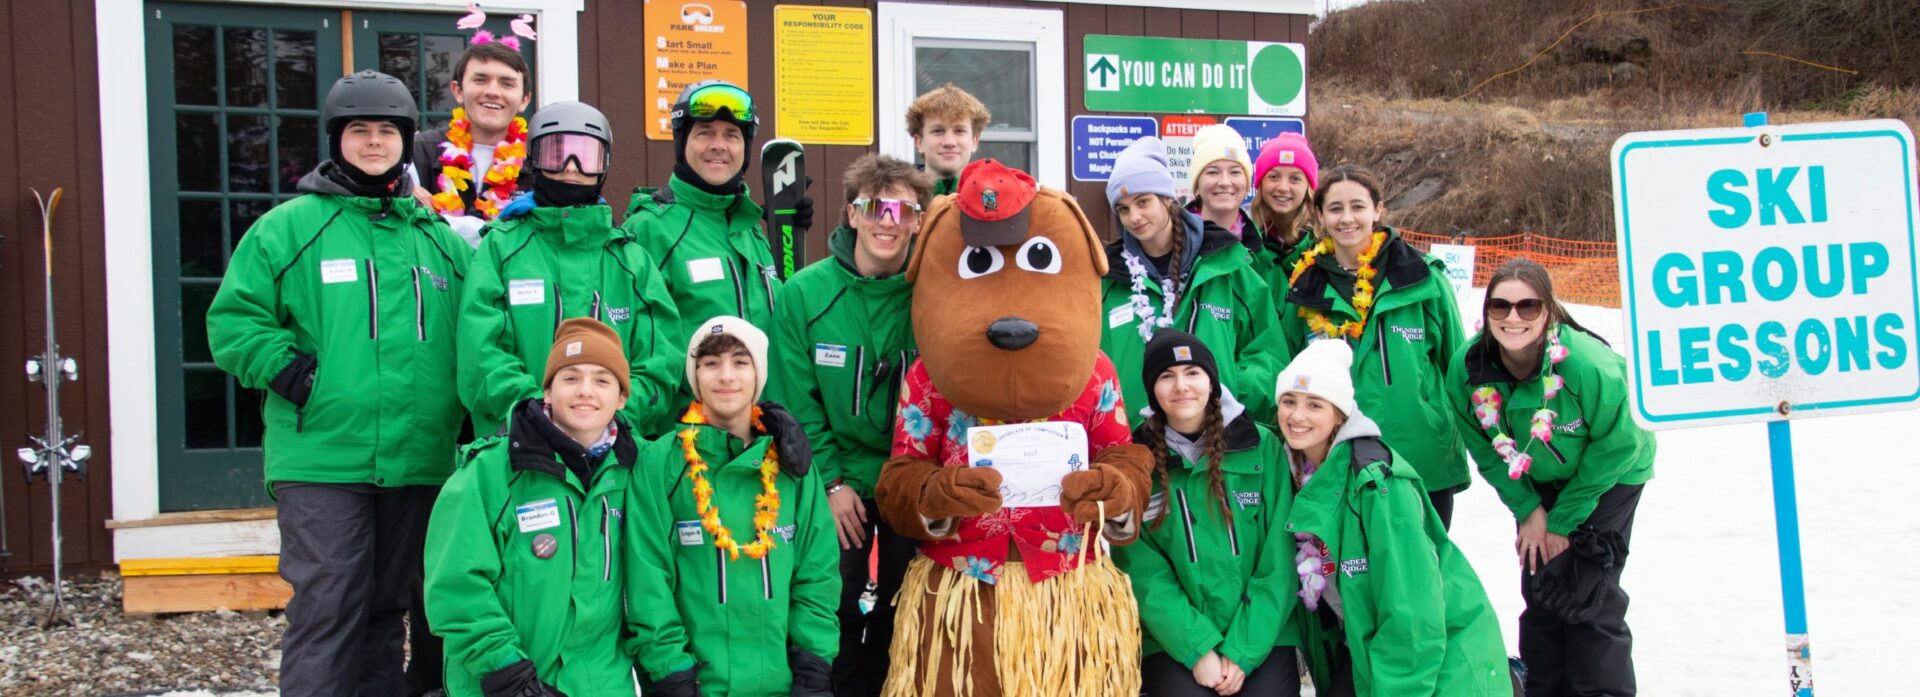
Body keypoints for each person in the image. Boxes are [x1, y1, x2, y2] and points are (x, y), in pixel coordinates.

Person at [207, 70, 471, 696]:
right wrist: (291, 371)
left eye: (387, 131)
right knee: (327, 611)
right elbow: (234, 320)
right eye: (360, 130)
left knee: (388, 612)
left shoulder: (440, 243)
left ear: (407, 141)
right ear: (337, 138)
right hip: (324, 457)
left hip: (418, 459)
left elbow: (476, 333)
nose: (374, 142)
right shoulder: (290, 228)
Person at [1446, 258, 1655, 697]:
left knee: (1586, 588)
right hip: (1535, 473)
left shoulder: (1585, 364)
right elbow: (1485, 450)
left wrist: (1562, 522)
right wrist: (1529, 510)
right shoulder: (1467, 368)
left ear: (1549, 311)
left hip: (1610, 471)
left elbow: (1620, 443)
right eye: (1500, 306)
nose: (1513, 317)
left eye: (1528, 306)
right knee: (1541, 582)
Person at [766, 154, 931, 697]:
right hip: (834, 477)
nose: (888, 221)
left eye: (902, 210)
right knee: (831, 597)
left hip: (910, 474)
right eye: (875, 207)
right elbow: (796, 399)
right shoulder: (806, 294)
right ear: (853, 215)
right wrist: (831, 484)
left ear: (918, 221)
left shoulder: (933, 296)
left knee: (908, 601)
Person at [423, 318, 644, 696]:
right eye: (570, 378)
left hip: (604, 684)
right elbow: (455, 586)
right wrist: (510, 674)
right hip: (507, 685)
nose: (585, 392)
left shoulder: (639, 470)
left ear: (622, 397)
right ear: (547, 389)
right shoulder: (490, 473)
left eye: (602, 380)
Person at [1278, 340, 1509, 696]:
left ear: (1339, 413)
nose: (1297, 415)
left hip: (1434, 663)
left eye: (1314, 404)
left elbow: (1412, 612)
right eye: (1288, 401)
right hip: (1367, 648)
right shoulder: (1295, 471)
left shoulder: (1378, 483)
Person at [626, 317, 838, 697]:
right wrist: (672, 675)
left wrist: (813, 666)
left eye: (740, 362)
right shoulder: (661, 464)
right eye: (710, 363)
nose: (726, 376)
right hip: (695, 686)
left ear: (759, 374)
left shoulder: (793, 468)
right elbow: (648, 581)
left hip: (782, 685)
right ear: (694, 375)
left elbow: (817, 574)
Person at [456, 100, 682, 437]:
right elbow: (480, 352)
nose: (571, 168)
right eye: (556, 153)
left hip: (614, 447)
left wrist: (607, 418)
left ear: (604, 164)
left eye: (585, 156)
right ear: (533, 160)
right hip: (519, 444)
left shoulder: (629, 258)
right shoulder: (503, 247)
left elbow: (660, 358)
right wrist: (535, 413)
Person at [1277, 165, 1469, 527]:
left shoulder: (1424, 278)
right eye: (1335, 208)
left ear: (1378, 210)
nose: (1347, 218)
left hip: (1420, 457)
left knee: (1423, 570)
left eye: (1358, 206)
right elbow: (1285, 367)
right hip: (1335, 459)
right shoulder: (1304, 286)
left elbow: (1460, 366)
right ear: (1319, 215)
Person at [1113, 330, 1302, 697]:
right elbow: (1142, 570)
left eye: (1192, 372)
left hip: (1261, 631)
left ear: (1212, 382)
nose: (1181, 386)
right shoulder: (1137, 464)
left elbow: (1279, 560)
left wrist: (1243, 650)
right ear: (1152, 389)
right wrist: (1198, 648)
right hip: (1176, 638)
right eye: (1166, 376)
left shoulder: (1262, 448)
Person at [1099, 136, 1289, 427]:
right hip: (1137, 444)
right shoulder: (1107, 279)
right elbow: (1092, 365)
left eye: (1143, 202)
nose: (1134, 217)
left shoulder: (1227, 264)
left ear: (1167, 199)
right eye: (1123, 209)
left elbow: (1268, 351)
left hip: (1219, 441)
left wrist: (1232, 392)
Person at [621, 81, 810, 354]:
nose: (719, 146)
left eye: (732, 135)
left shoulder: (752, 231)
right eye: (705, 133)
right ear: (682, 142)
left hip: (762, 398)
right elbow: (637, 348)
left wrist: (787, 236)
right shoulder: (649, 229)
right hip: (694, 398)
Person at [411, 39, 536, 248]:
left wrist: (437, 219)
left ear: (525, 99)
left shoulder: (540, 161)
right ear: (458, 90)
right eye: (480, 80)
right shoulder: (419, 151)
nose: (493, 91)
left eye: (507, 83)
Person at [1248, 132, 1320, 292]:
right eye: (1274, 177)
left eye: (1295, 179)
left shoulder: (1325, 243)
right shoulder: (1247, 243)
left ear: (1308, 187)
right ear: (1261, 184)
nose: (1283, 187)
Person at [905, 83, 991, 196]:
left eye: (959, 131)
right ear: (919, 142)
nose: (949, 142)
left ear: (975, 141)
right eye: (938, 131)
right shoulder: (900, 196)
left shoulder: (991, 195)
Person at [1184, 124, 1257, 243]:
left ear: (1247, 183)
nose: (1224, 182)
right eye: (1213, 172)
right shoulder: (1173, 241)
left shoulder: (1260, 244)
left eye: (1234, 172)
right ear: (1197, 184)